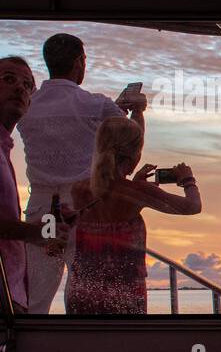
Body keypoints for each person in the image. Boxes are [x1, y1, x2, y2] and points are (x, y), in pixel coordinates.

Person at [17, 33, 147, 314]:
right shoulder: (96, 105)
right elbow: (130, 146)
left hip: (41, 208)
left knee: (35, 296)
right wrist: (137, 112)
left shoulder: (28, 104)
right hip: (84, 208)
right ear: (79, 62)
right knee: (82, 290)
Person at [65, 118, 200, 315]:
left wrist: (136, 184)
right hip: (123, 296)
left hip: (82, 292)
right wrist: (187, 179)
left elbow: (107, 200)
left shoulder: (79, 189)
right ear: (135, 155)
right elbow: (192, 206)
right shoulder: (137, 192)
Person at [0, 56, 68, 313]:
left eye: (28, 85)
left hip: (11, 295)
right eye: (8, 79)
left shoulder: (5, 147)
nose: (20, 88)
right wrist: (35, 233)